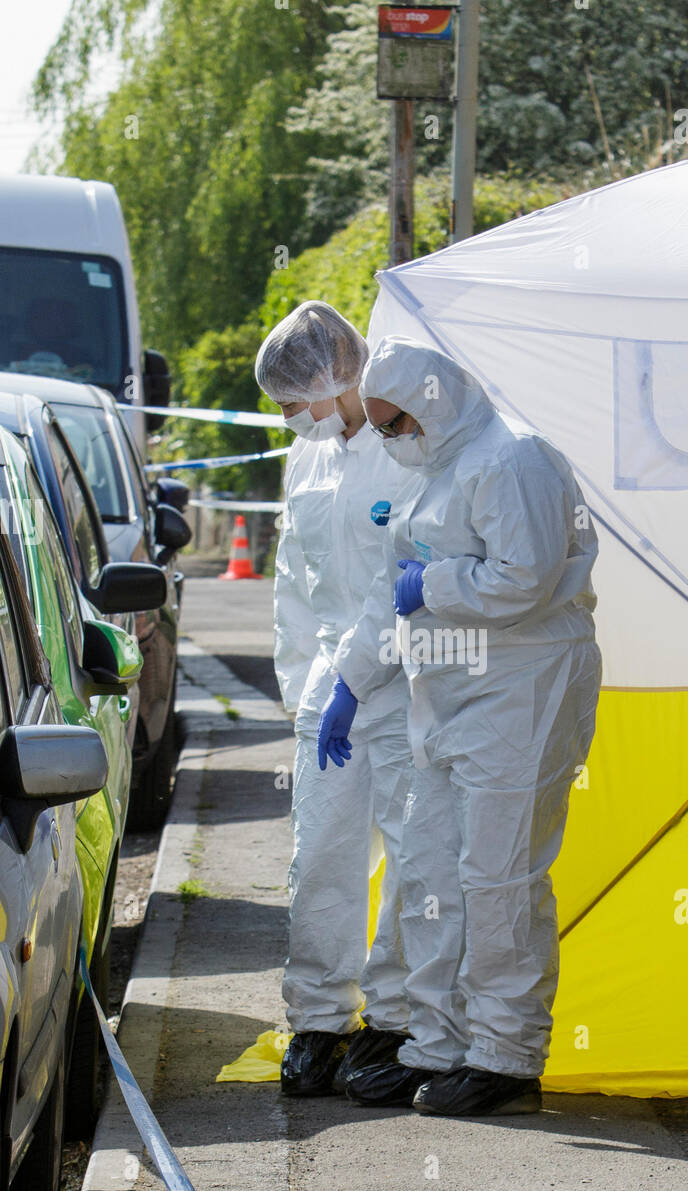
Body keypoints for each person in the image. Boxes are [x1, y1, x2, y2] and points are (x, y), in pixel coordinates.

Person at [317, 336, 602, 1117]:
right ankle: (435, 1046)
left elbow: (526, 579)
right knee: (432, 871)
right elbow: (391, 593)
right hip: (448, 695)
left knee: (499, 874)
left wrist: (433, 585)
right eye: (379, 427)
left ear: (431, 404)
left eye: (395, 422)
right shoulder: (433, 470)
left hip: (525, 684)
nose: (389, 439)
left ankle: (505, 1058)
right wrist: (350, 680)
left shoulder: (514, 460)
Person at [256, 303, 419, 1097]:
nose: (289, 417)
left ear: (337, 377)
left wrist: (359, 674)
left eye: (294, 399)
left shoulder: (409, 448)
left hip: (411, 682)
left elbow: (405, 582)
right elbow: (294, 580)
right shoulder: (308, 459)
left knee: (412, 857)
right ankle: (318, 1020)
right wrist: (304, 689)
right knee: (321, 855)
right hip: (330, 690)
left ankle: (391, 1020)